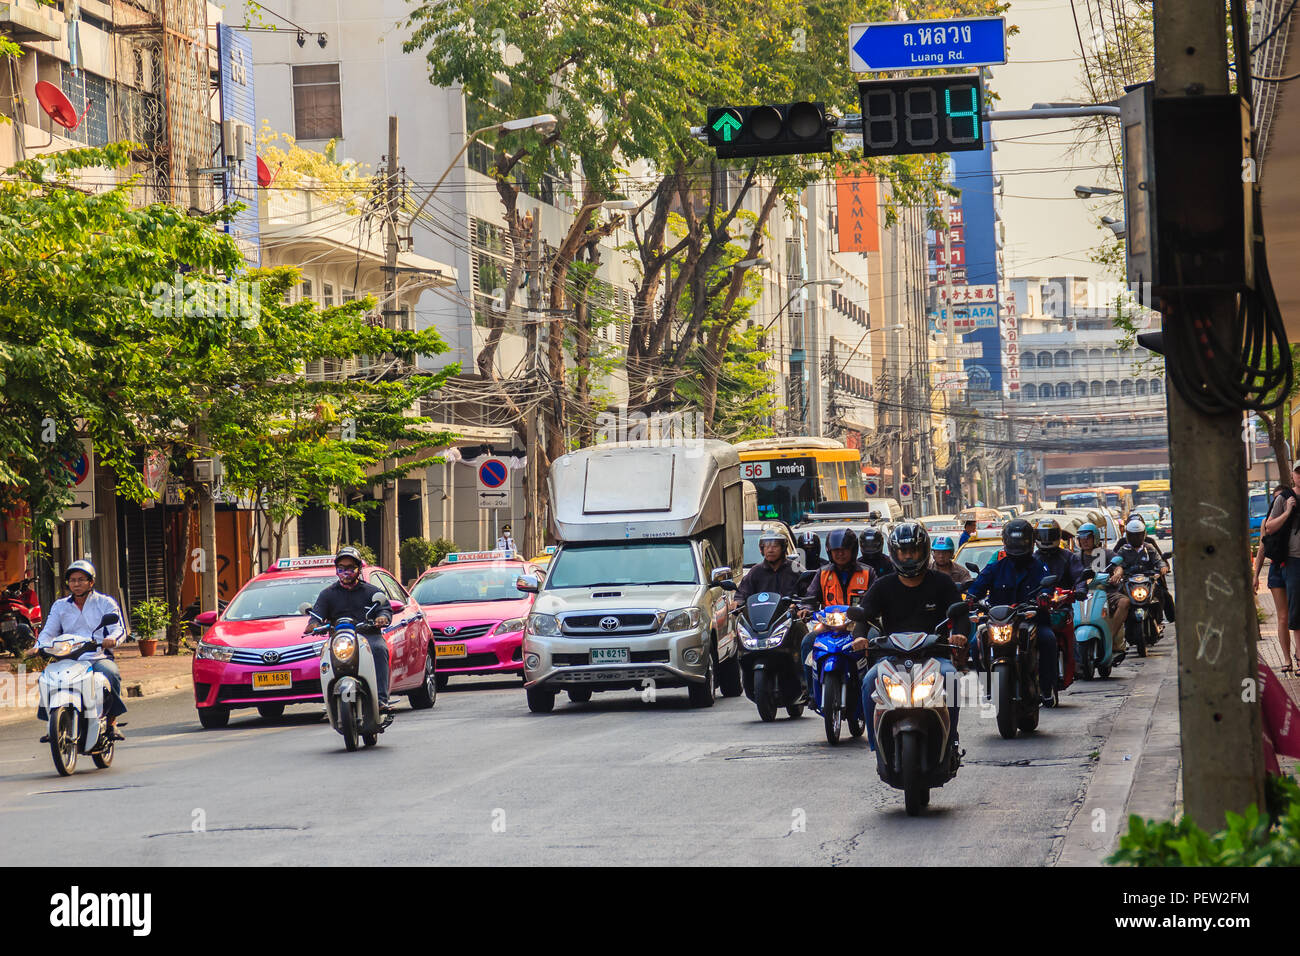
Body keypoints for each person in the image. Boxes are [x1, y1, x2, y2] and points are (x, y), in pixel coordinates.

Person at [848, 523, 966, 751]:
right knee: (868, 681)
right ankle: (876, 745)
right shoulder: (883, 585)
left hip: (934, 657)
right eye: (904, 552)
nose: (909, 556)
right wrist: (859, 637)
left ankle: (950, 739)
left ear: (924, 552)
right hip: (891, 659)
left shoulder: (942, 582)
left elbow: (959, 612)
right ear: (895, 554)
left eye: (914, 551)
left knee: (950, 677)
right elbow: (863, 616)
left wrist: (959, 634)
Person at [967, 518, 1059, 706]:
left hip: (1031, 620)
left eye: (1021, 542)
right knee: (975, 645)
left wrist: (1044, 596)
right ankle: (988, 686)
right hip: (998, 622)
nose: (1017, 546)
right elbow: (978, 586)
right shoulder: (995, 568)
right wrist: (970, 598)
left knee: (1049, 640)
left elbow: (1048, 586)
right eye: (1014, 542)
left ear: (1030, 542)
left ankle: (1047, 688)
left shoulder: (1038, 566)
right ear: (1006, 542)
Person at [31, 560, 127, 741]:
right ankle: (52, 722)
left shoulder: (105, 602)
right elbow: (49, 631)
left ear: (91, 582)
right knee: (46, 677)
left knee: (110, 673)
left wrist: (112, 639)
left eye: (81, 580)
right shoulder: (60, 606)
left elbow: (119, 628)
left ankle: (112, 722)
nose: (76, 584)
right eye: (72, 580)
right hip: (68, 657)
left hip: (96, 655)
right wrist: (37, 647)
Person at [305, 547, 396, 714]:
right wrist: (313, 625)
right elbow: (315, 617)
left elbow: (385, 610)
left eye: (350, 568)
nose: (345, 572)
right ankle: (329, 700)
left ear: (358, 569)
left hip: (368, 637)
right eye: (341, 568)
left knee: (380, 649)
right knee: (324, 655)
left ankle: (381, 699)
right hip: (339, 639)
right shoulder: (327, 594)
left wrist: (382, 618)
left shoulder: (372, 592)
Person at [799, 528, 872, 695]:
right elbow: (811, 596)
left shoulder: (868, 572)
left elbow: (876, 599)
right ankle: (811, 691)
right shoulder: (822, 573)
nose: (840, 554)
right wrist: (806, 609)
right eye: (836, 551)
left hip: (859, 625)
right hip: (829, 625)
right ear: (830, 552)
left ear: (853, 550)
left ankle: (873, 688)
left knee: (875, 641)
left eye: (844, 550)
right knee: (807, 643)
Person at [1261, 474, 1300, 672]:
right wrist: (1286, 511)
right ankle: (1287, 659)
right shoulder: (1279, 510)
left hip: (1292, 564)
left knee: (1295, 613)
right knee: (1283, 617)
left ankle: (1297, 655)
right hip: (1277, 566)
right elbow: (1263, 546)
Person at [1115, 515, 1175, 626]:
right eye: (1133, 535)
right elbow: (1115, 562)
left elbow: (1159, 559)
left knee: (1163, 593)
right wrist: (1116, 571)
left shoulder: (1150, 547)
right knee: (1116, 595)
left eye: (1138, 535)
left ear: (1143, 533)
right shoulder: (1123, 549)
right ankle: (1118, 624)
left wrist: (1163, 567)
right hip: (1129, 580)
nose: (1136, 538)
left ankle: (1161, 618)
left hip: (1149, 579)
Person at [1078, 522, 1129, 649]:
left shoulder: (1106, 553)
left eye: (1088, 537)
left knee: (1124, 602)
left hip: (1106, 593)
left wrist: (1117, 574)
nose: (1084, 541)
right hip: (1082, 594)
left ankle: (1110, 636)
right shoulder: (1075, 558)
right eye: (1081, 538)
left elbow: (1119, 566)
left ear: (1095, 537)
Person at [734, 531, 801, 604]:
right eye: (766, 546)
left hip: (789, 614)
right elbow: (742, 593)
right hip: (761, 614)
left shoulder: (795, 569)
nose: (770, 550)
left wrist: (799, 607)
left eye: (775, 546)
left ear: (783, 548)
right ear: (762, 549)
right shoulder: (755, 571)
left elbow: (808, 595)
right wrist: (737, 602)